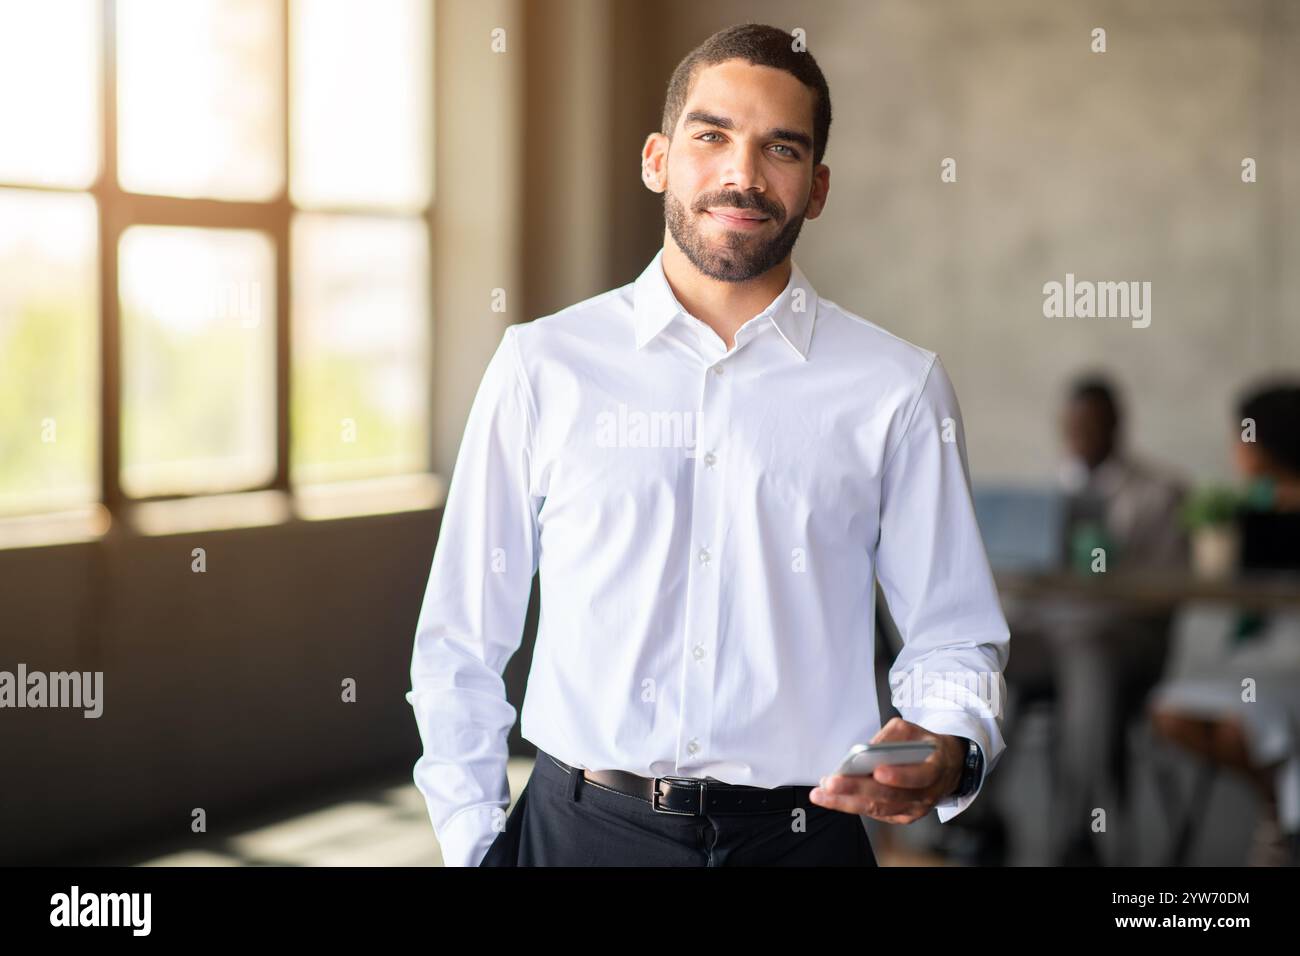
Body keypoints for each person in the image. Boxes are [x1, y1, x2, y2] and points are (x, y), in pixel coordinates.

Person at [405, 23, 1009, 867]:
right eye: (712, 136)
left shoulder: (897, 389)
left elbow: (952, 634)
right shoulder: (542, 366)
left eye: (782, 149)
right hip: (577, 832)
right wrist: (474, 844)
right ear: (657, 159)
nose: (743, 174)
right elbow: (461, 640)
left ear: (818, 186)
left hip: (806, 841)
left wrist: (949, 746)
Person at [999, 374, 1189, 865]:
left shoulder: (1160, 492)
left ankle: (1079, 828)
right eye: (1071, 426)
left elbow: (1167, 590)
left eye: (1089, 425)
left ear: (1116, 426)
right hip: (1056, 638)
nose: (1077, 436)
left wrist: (1108, 576)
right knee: (989, 651)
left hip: (1130, 643)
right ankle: (973, 815)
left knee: (1088, 648)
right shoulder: (1053, 492)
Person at [1148, 382, 1300, 866]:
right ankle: (1276, 805)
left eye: (1244, 436)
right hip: (1246, 658)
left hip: (1288, 661)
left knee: (1242, 724)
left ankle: (1277, 813)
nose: (1237, 446)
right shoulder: (1243, 513)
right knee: (1171, 711)